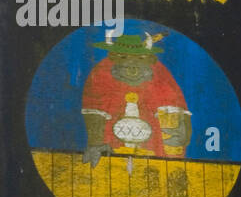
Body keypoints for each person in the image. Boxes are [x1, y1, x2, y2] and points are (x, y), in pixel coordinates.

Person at [81, 32, 191, 166]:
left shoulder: (160, 74)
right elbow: (95, 107)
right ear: (115, 57)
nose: (132, 66)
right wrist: (96, 143)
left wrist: (183, 127)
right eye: (125, 57)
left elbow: (174, 103)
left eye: (139, 58)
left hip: (153, 145)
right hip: (112, 143)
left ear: (148, 59)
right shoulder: (101, 72)